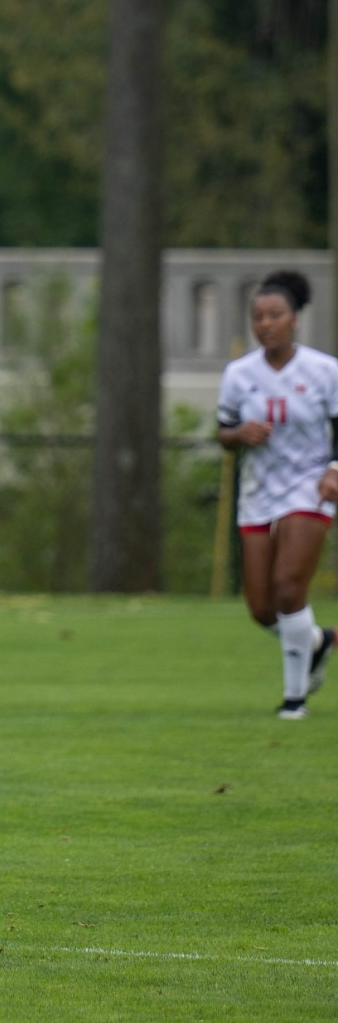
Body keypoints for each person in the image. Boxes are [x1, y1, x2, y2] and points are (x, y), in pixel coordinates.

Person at [216, 270, 338, 720]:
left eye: (275, 315)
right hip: (257, 493)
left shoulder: (325, 371)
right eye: (258, 317)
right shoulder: (238, 374)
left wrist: (334, 470)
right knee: (262, 607)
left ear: (295, 320)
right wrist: (238, 434)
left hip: (309, 486)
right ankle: (320, 642)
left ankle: (294, 700)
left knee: (289, 588)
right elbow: (222, 432)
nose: (265, 324)